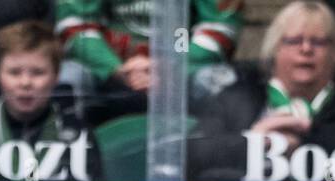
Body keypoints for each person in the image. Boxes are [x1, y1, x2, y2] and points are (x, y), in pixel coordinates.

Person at [188, 1, 335, 181]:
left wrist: (303, 144)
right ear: (275, 49)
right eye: (294, 41)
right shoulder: (237, 96)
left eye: (318, 42)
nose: (305, 49)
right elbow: (192, 157)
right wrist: (253, 144)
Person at [0, 20, 102, 181]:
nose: (25, 83)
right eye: (14, 72)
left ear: (56, 75)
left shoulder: (77, 134)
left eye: (38, 73)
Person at [56, 0, 243, 120]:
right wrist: (115, 68)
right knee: (68, 75)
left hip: (180, 60)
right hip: (113, 69)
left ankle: (212, 160)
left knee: (220, 78)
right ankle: (69, 157)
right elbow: (75, 24)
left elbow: (220, 28)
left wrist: (168, 66)